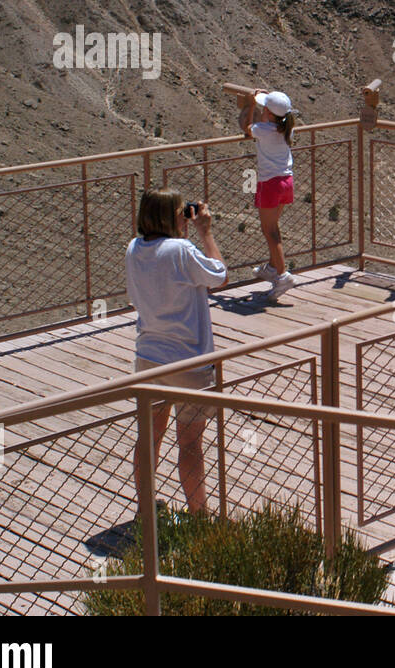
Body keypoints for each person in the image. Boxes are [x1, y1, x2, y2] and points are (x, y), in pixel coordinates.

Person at [126, 189, 228, 515]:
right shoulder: (181, 250)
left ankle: (145, 508)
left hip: (149, 357)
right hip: (189, 362)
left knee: (149, 439)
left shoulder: (133, 249)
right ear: (173, 216)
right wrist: (205, 231)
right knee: (189, 444)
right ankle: (199, 515)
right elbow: (219, 275)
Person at [240, 89, 298, 302]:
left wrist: (251, 105)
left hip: (270, 183)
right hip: (286, 181)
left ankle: (283, 275)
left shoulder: (262, 129)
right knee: (274, 226)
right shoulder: (286, 129)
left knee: (269, 230)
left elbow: (247, 129)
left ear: (268, 113)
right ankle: (274, 267)